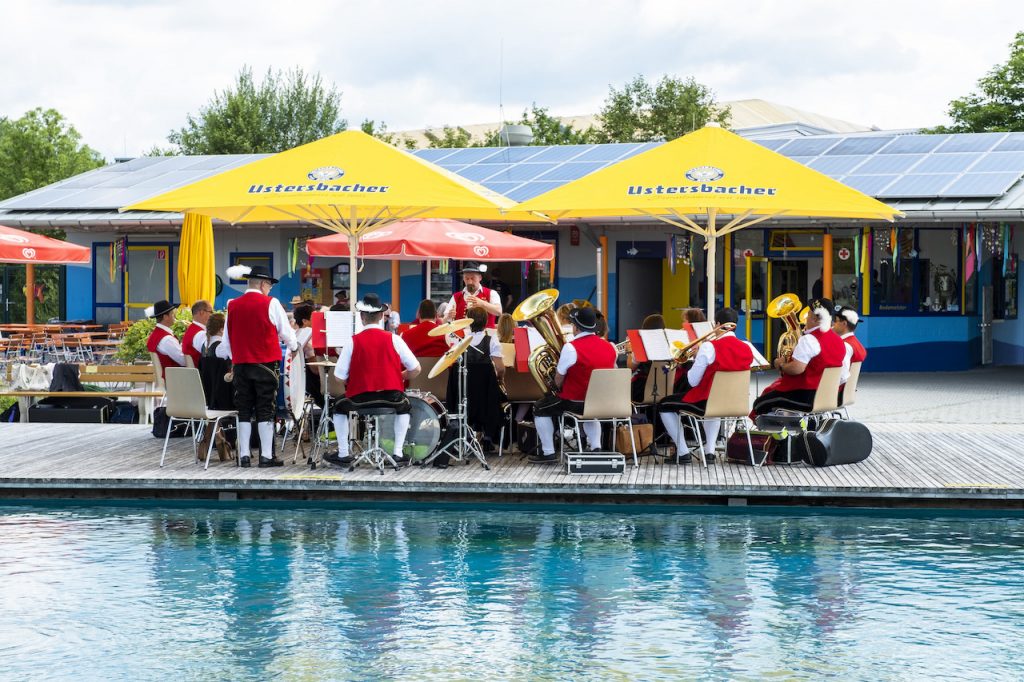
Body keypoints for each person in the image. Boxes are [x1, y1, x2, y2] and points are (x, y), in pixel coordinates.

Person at [328, 294, 421, 468]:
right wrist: (400, 376)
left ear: (362, 317)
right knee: (405, 406)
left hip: (360, 398)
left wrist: (353, 380)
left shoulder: (352, 341)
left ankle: (343, 454)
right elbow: (416, 369)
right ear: (381, 316)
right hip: (392, 397)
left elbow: (339, 377)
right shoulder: (395, 339)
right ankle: (398, 454)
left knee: (338, 407)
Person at [221, 264, 299, 468]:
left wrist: (237, 357)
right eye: (269, 285)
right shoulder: (271, 303)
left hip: (240, 365)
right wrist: (294, 346)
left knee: (244, 409)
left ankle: (244, 456)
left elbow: (226, 342)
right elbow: (287, 334)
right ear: (264, 284)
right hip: (265, 364)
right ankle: (266, 456)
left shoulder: (232, 305)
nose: (270, 289)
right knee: (266, 408)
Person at [658, 308, 752, 464]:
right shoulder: (746, 348)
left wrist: (697, 357)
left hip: (707, 402)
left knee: (664, 405)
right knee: (714, 404)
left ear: (718, 324)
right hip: (735, 403)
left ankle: (682, 452)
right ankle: (710, 452)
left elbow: (693, 381)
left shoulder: (709, 347)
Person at [528, 306, 617, 464]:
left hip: (575, 401)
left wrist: (555, 385)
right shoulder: (611, 347)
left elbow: (558, 379)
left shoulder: (571, 347)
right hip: (601, 402)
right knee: (591, 411)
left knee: (540, 407)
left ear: (575, 327)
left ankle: (548, 452)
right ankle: (596, 447)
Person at [751, 299, 846, 416]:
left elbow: (796, 369)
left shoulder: (809, 339)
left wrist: (781, 364)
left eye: (808, 314)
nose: (805, 318)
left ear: (815, 318)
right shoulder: (838, 340)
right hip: (828, 396)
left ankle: (776, 432)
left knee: (759, 404)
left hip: (805, 397)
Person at [457, 307, 506, 454]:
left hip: (467, 391)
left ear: (468, 321)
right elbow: (500, 367)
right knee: (497, 398)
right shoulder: (492, 340)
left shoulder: (462, 341)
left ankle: (469, 433)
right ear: (485, 322)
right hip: (487, 392)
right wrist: (499, 379)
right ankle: (489, 437)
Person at [444, 262, 502, 327]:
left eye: (473, 278)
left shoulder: (491, 293)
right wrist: (449, 316)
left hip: (486, 335)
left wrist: (482, 303)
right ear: (463, 279)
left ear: (480, 278)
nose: (469, 282)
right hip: (462, 336)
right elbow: (445, 321)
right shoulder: (456, 296)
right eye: (467, 278)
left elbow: (499, 311)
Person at [627, 313, 665, 403]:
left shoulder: (641, 345)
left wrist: (630, 351)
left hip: (644, 389)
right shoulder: (669, 343)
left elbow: (630, 367)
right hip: (667, 387)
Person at [833, 305, 867, 404]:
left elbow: (842, 376)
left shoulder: (845, 345)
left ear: (844, 323)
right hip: (846, 393)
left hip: (834, 394)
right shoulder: (857, 344)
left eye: (836, 320)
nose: (833, 324)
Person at [293, 303, 324, 408]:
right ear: (305, 321)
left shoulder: (296, 334)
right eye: (314, 317)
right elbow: (315, 369)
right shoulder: (309, 334)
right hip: (312, 382)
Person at [145, 300, 184, 379]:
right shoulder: (167, 339)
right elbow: (183, 360)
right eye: (172, 314)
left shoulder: (155, 334)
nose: (175, 317)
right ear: (165, 317)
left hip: (166, 378)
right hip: (175, 379)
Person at [181, 300, 213, 368]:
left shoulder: (192, 330)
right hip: (201, 375)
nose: (212, 315)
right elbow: (212, 353)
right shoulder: (200, 334)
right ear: (202, 312)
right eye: (211, 312)